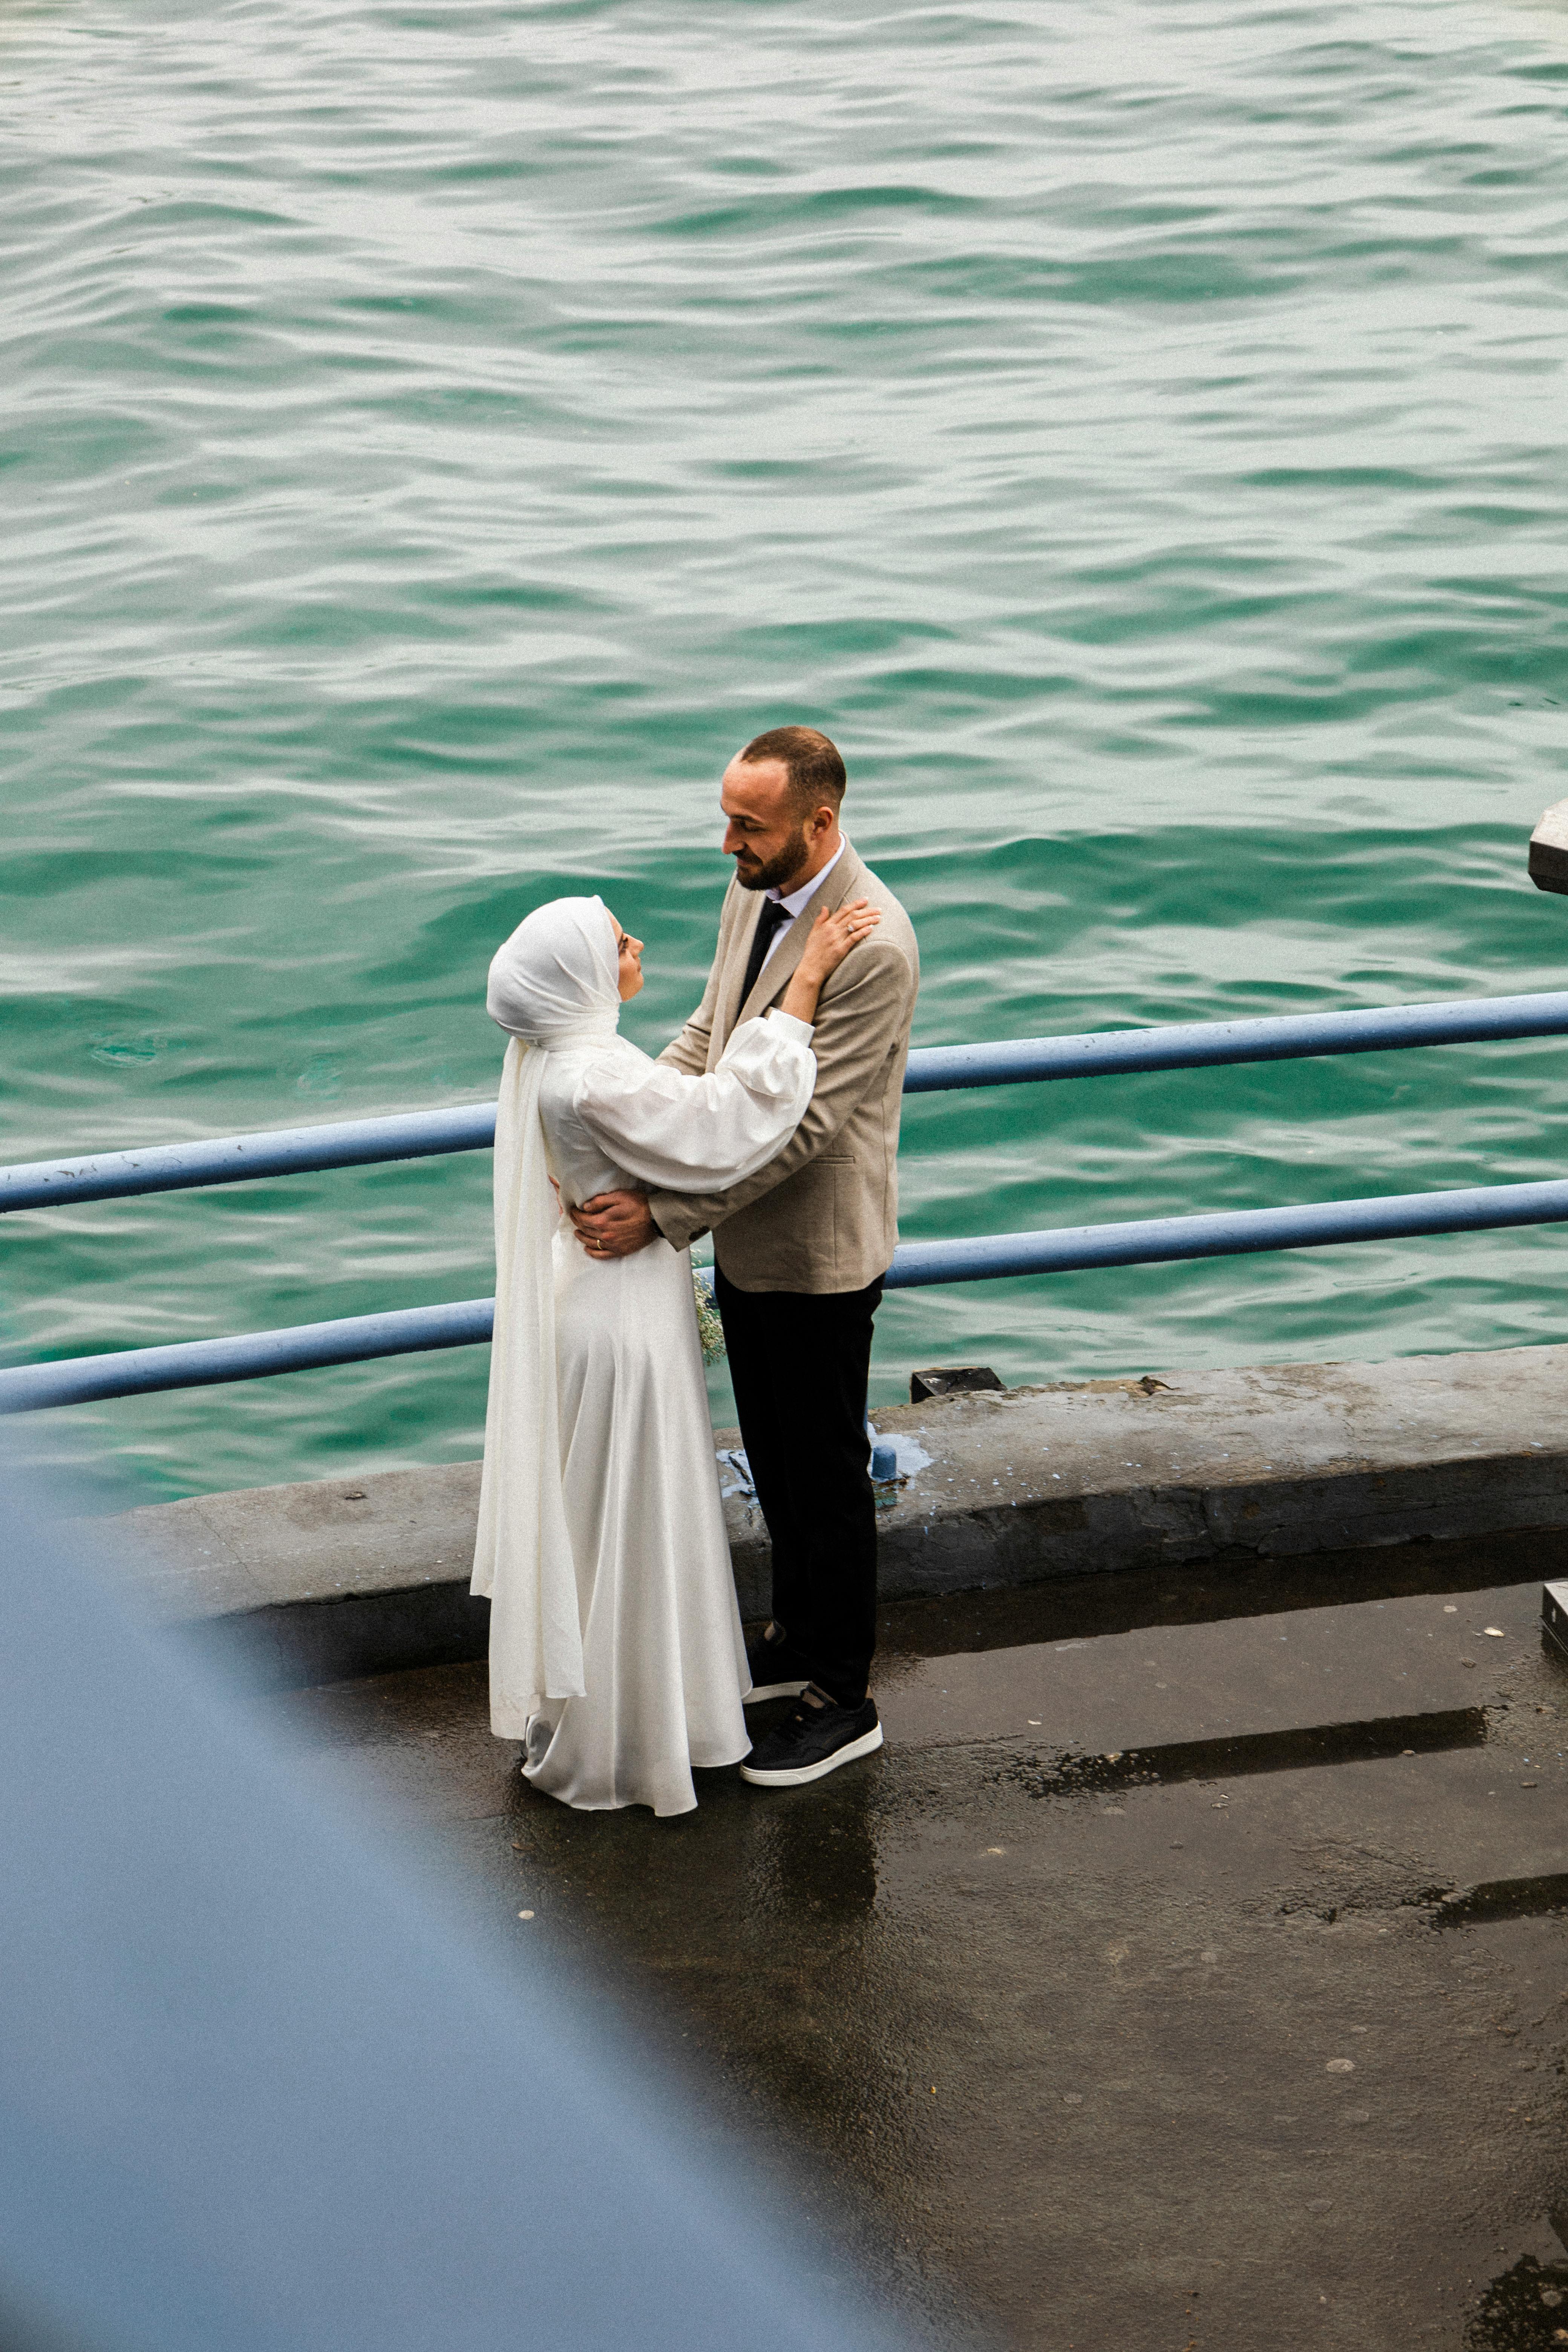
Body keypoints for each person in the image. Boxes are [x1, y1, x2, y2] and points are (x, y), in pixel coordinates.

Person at [472, 886, 881, 1817]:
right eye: (618, 939)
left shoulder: (558, 1063)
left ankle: (628, 1711)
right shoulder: (598, 1076)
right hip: (623, 1324)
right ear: (583, 974)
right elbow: (728, 1123)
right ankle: (640, 1736)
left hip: (597, 1299)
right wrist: (808, 978)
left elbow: (671, 1107)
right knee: (636, 1513)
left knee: (607, 1520)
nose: (637, 941)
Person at [570, 726, 920, 1791]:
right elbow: (709, 1035)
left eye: (749, 825)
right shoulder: (756, 889)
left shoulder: (876, 947)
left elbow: (803, 1130)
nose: (729, 842)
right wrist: (631, 1113)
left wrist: (664, 1212)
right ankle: (794, 1640)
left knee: (824, 1473)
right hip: (748, 1241)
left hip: (817, 1250)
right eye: (728, 819)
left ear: (821, 822)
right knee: (772, 1456)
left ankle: (843, 1696)